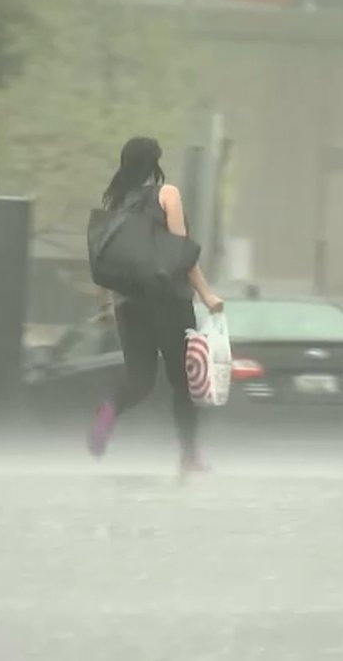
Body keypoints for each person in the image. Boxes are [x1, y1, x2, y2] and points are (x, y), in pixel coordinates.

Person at [88, 136, 224, 477]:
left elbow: (104, 260)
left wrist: (105, 305)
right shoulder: (168, 194)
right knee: (183, 382)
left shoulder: (115, 204)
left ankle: (109, 408)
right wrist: (207, 295)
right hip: (169, 300)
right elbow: (179, 254)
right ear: (155, 163)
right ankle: (189, 457)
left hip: (130, 304)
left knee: (140, 381)